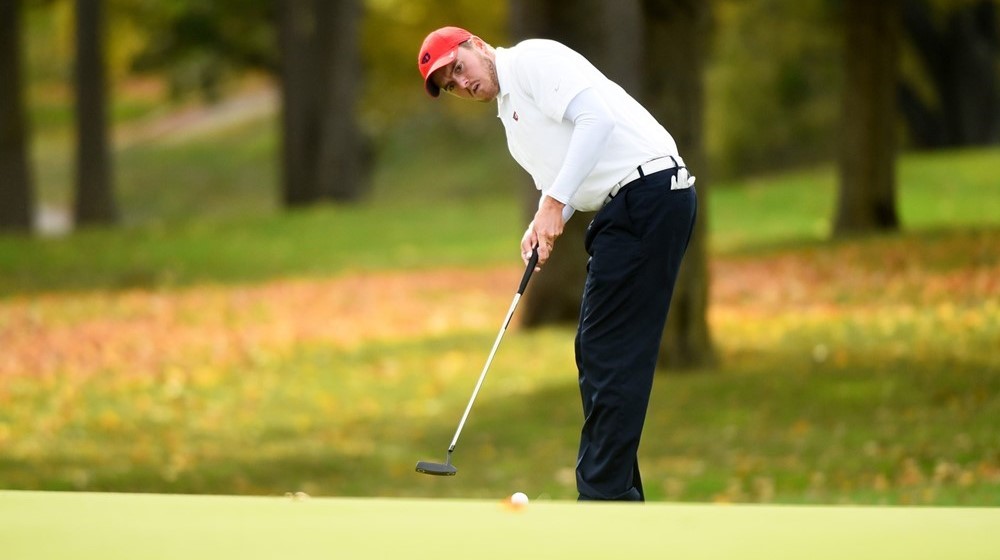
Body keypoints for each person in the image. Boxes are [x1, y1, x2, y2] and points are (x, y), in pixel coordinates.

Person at [417, 26, 697, 501]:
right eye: (450, 85)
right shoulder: (512, 122)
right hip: (628, 207)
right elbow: (565, 177)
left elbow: (596, 121)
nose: (461, 85)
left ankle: (603, 497)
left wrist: (554, 203)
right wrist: (544, 220)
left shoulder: (532, 60)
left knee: (608, 350)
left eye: (458, 69)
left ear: (477, 45)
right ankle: (618, 495)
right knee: (596, 350)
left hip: (650, 194)